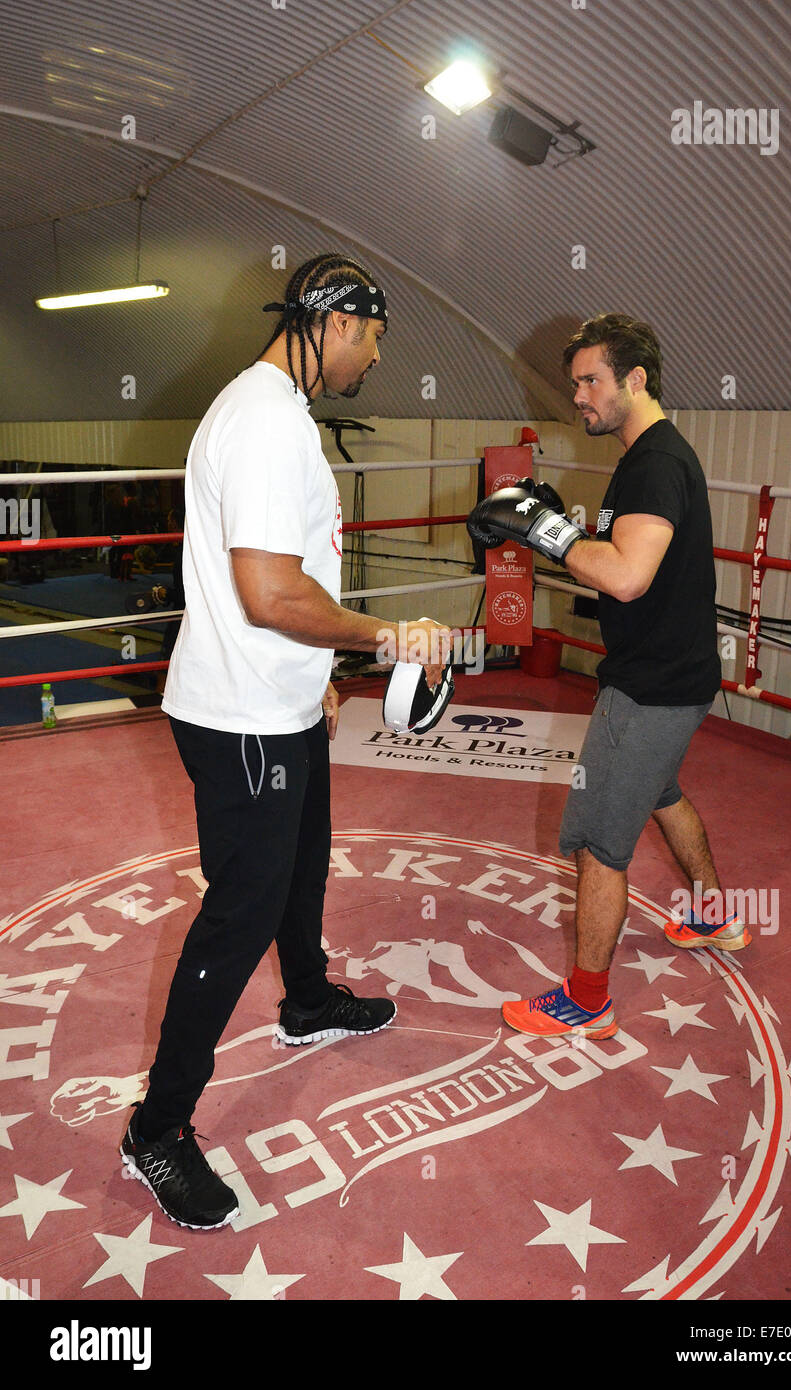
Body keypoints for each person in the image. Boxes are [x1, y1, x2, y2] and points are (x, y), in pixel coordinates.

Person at [120, 252, 450, 1230]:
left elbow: (282, 581)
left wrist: (322, 680)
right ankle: (159, 1127)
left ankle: (305, 998)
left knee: (303, 861)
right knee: (241, 911)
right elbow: (268, 592)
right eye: (374, 336)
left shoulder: (278, 411)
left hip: (280, 700)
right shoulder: (265, 419)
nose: (376, 358)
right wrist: (389, 637)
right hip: (240, 716)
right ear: (335, 321)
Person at [468, 313, 745, 1043]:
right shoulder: (654, 454)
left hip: (649, 688)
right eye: (575, 384)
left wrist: (548, 534)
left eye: (591, 381)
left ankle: (587, 998)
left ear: (635, 379)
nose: (579, 397)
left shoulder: (653, 463)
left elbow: (625, 577)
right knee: (660, 793)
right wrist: (563, 533)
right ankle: (714, 917)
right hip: (673, 677)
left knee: (598, 844)